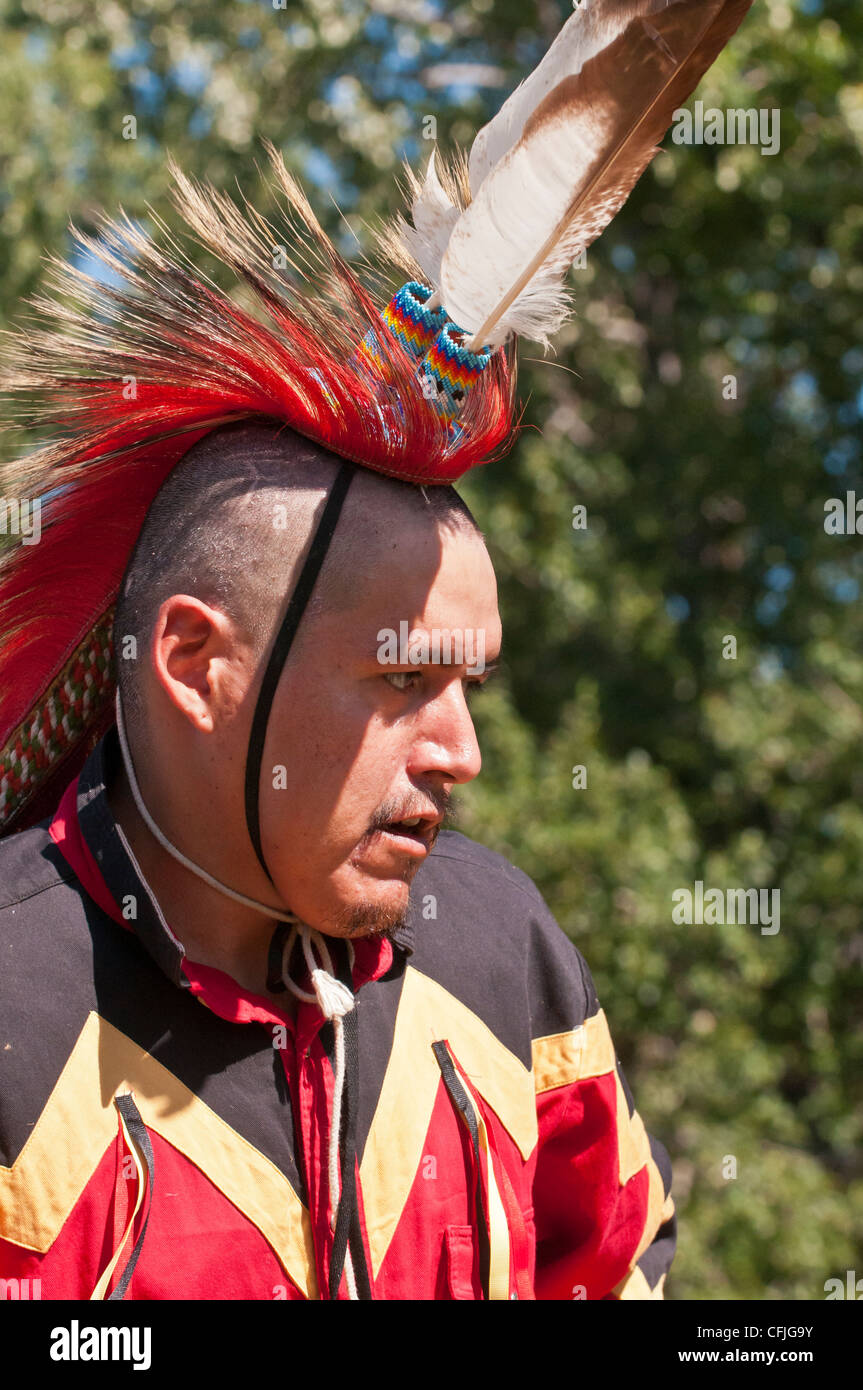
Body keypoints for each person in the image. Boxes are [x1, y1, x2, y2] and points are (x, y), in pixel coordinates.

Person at [0, 4, 753, 1298]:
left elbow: (617, 1264)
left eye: (471, 683)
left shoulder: (503, 949)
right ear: (194, 662)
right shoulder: (17, 1016)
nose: (462, 751)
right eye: (405, 677)